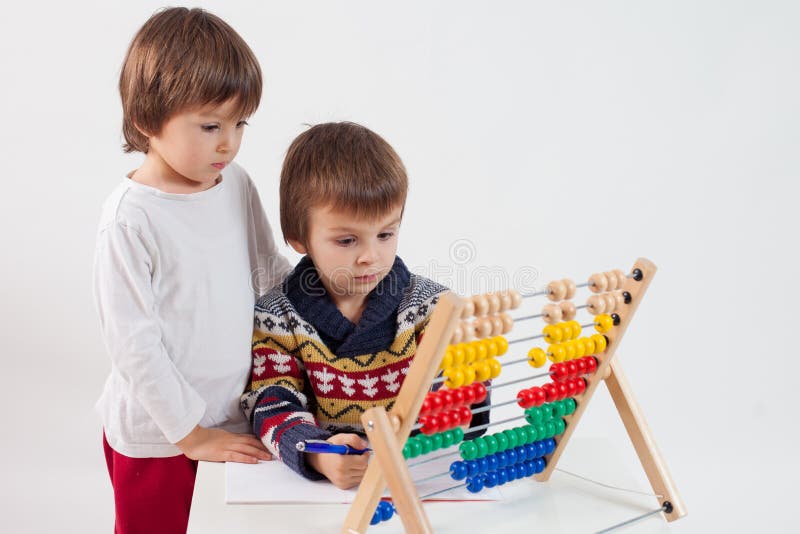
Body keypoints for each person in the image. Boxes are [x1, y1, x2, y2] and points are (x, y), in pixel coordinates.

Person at [93, 8, 291, 533]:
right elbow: (134, 346)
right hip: (160, 432)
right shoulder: (129, 220)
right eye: (210, 126)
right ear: (146, 121)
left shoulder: (235, 183)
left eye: (240, 123)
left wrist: (334, 296)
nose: (229, 142)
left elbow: (268, 272)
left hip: (235, 411)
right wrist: (190, 433)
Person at [241, 122, 489, 489]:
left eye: (386, 234)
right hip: (326, 492)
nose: (370, 257)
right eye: (346, 240)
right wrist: (316, 452)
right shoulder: (279, 318)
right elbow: (272, 403)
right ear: (298, 238)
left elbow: (469, 417)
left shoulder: (431, 309)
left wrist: (472, 378)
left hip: (419, 481)